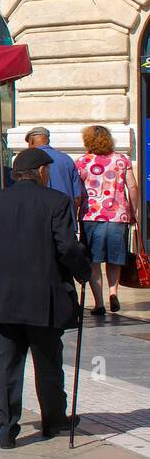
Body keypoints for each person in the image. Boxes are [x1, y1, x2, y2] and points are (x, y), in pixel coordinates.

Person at [0, 148, 90, 449]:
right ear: (40, 171)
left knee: (5, 366)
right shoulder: (56, 202)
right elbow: (68, 248)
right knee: (48, 363)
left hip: (1, 300)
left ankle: (6, 428)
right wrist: (82, 273)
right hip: (44, 300)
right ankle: (54, 419)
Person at [75, 124, 137, 317]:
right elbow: (133, 187)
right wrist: (133, 211)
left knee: (94, 261)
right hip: (118, 216)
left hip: (91, 216)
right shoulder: (121, 160)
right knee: (114, 259)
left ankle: (99, 303)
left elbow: (77, 192)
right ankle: (113, 292)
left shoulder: (82, 162)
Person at [25, 126, 83, 221]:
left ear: (31, 141)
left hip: (39, 219)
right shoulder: (66, 159)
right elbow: (77, 196)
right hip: (65, 218)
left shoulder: (28, 159)